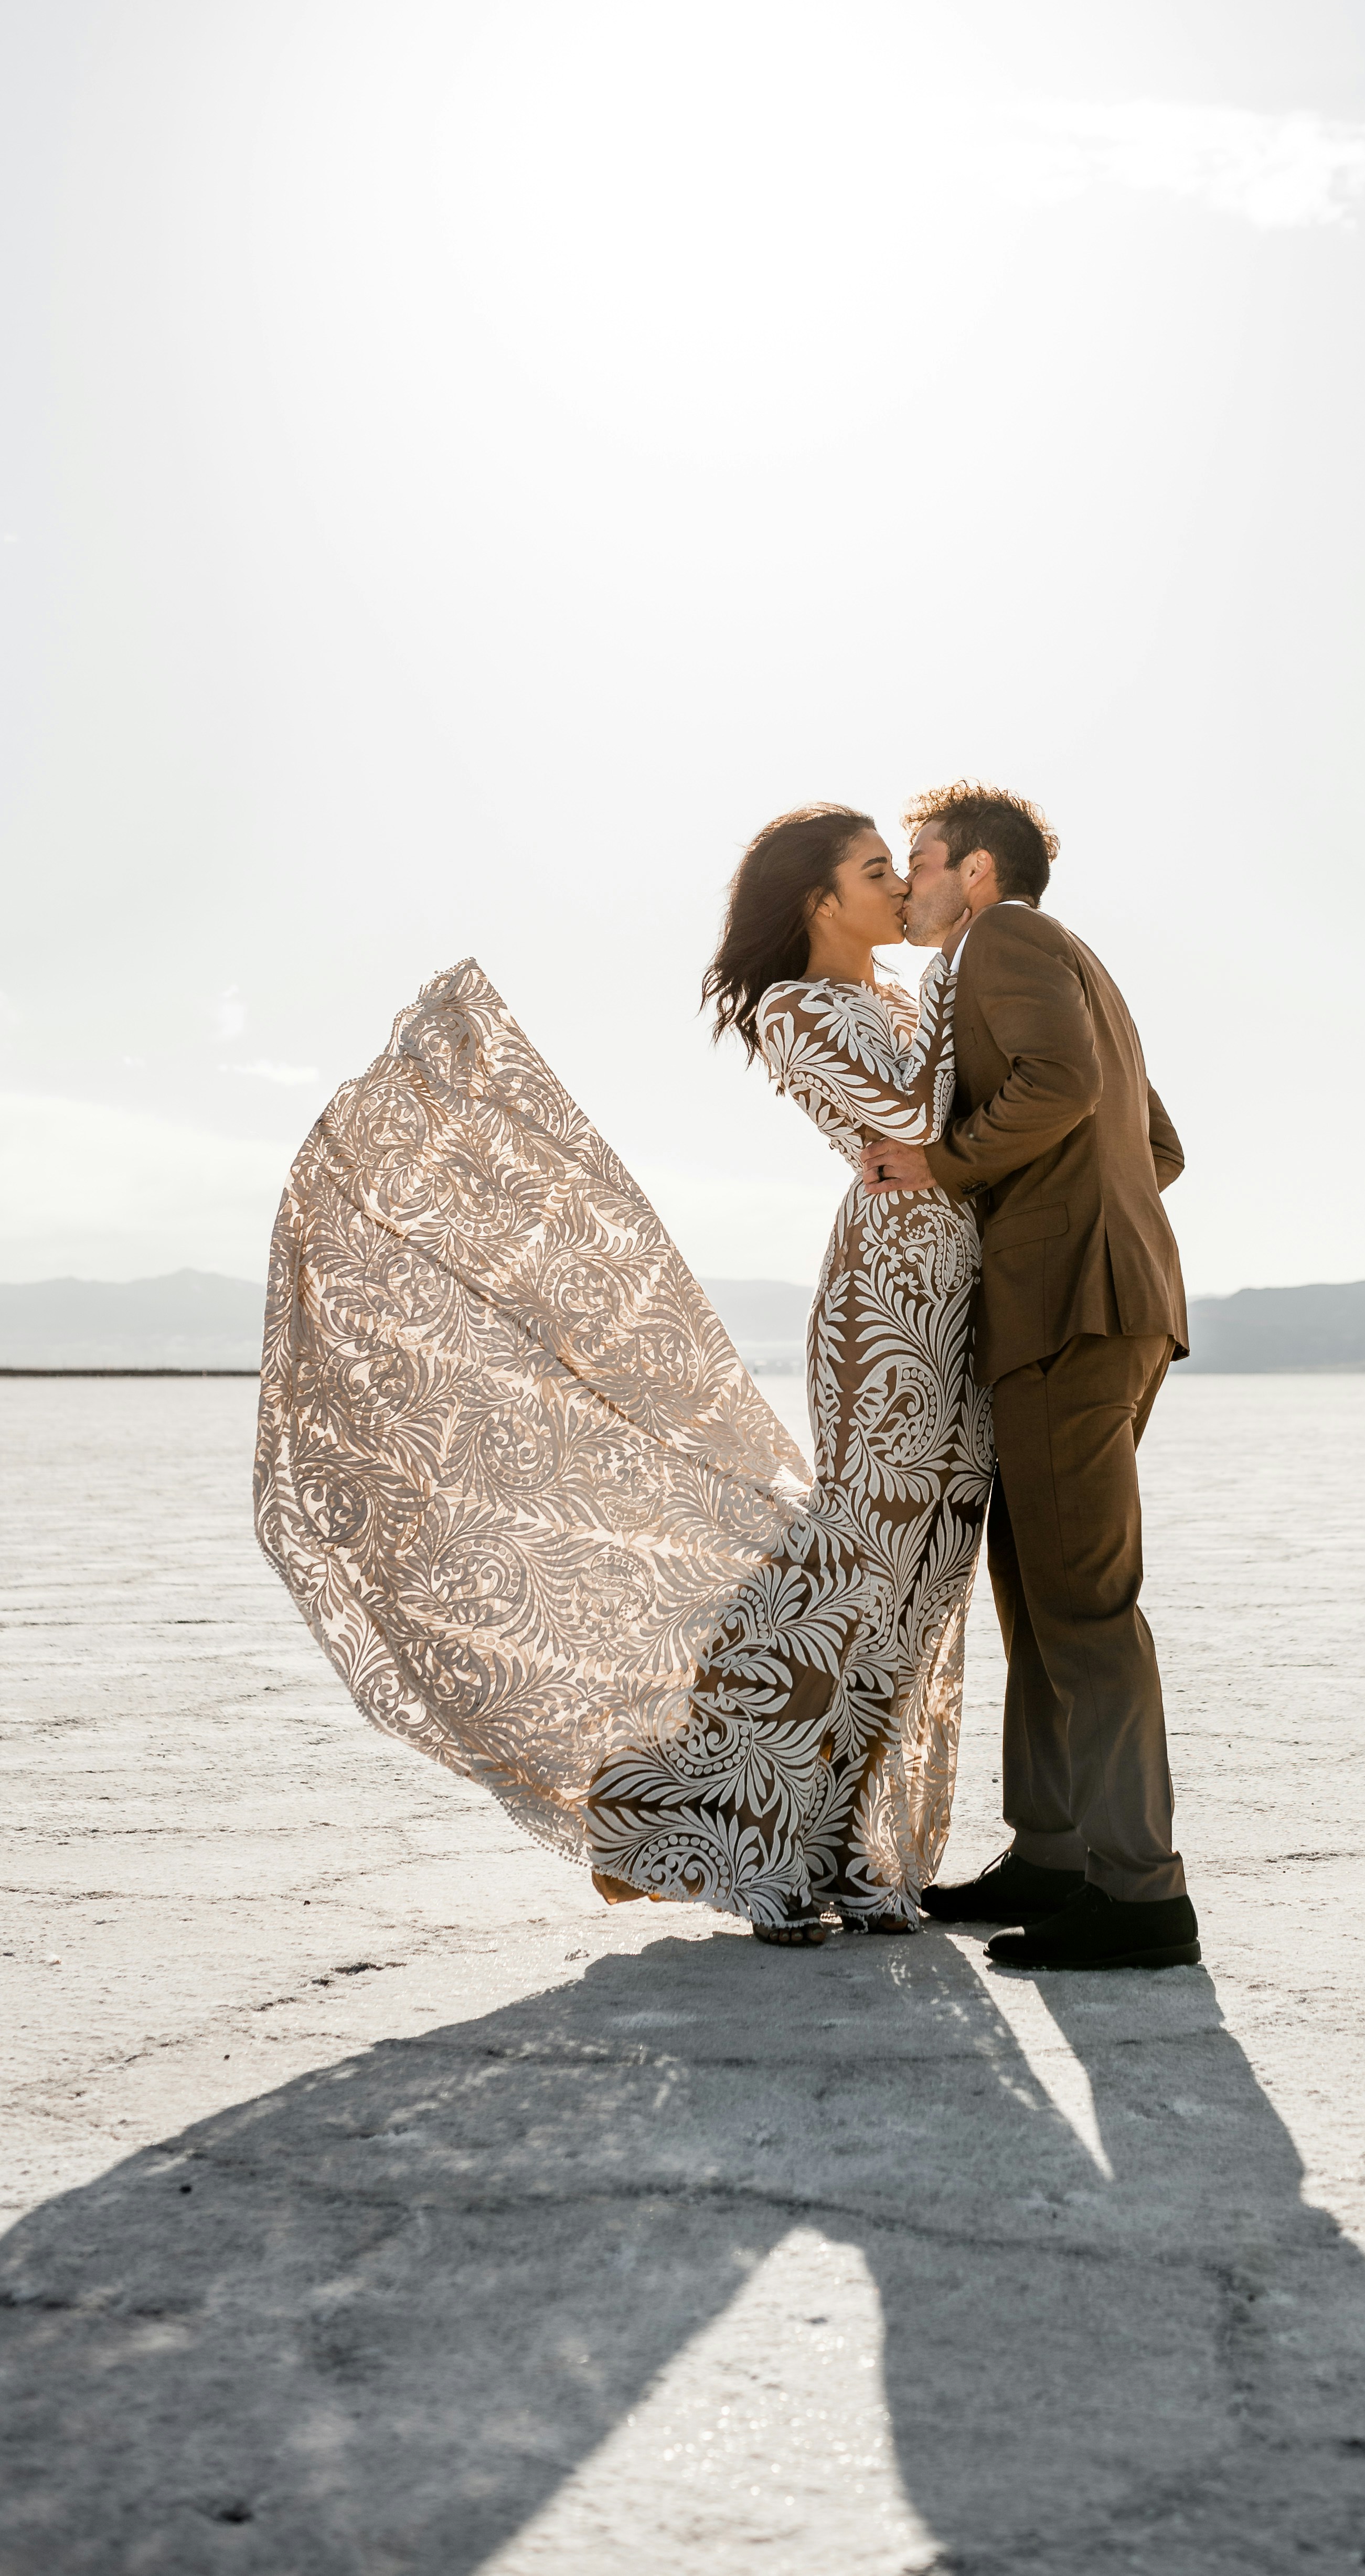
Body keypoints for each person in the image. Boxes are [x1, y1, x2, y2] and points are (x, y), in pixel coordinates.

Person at [254, 808, 990, 1953]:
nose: (900, 887)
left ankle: (841, 1844)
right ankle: (710, 1821)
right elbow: (912, 1116)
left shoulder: (900, 1001)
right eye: (875, 871)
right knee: (856, 1564)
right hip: (891, 1294)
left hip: (968, 1289)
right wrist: (973, 982)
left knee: (928, 1575)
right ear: (816, 903)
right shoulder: (796, 1006)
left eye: (902, 870)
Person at [862, 783, 1197, 1971]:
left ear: (980, 876)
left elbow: (1061, 1093)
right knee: (1036, 1589)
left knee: (1083, 1605)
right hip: (1098, 1303)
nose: (907, 883)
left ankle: (1141, 1896)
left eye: (921, 860)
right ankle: (1053, 1856)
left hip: (1070, 1315)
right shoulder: (1076, 965)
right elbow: (1153, 1146)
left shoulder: (1006, 940)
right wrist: (1076, 1218)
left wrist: (943, 1167)